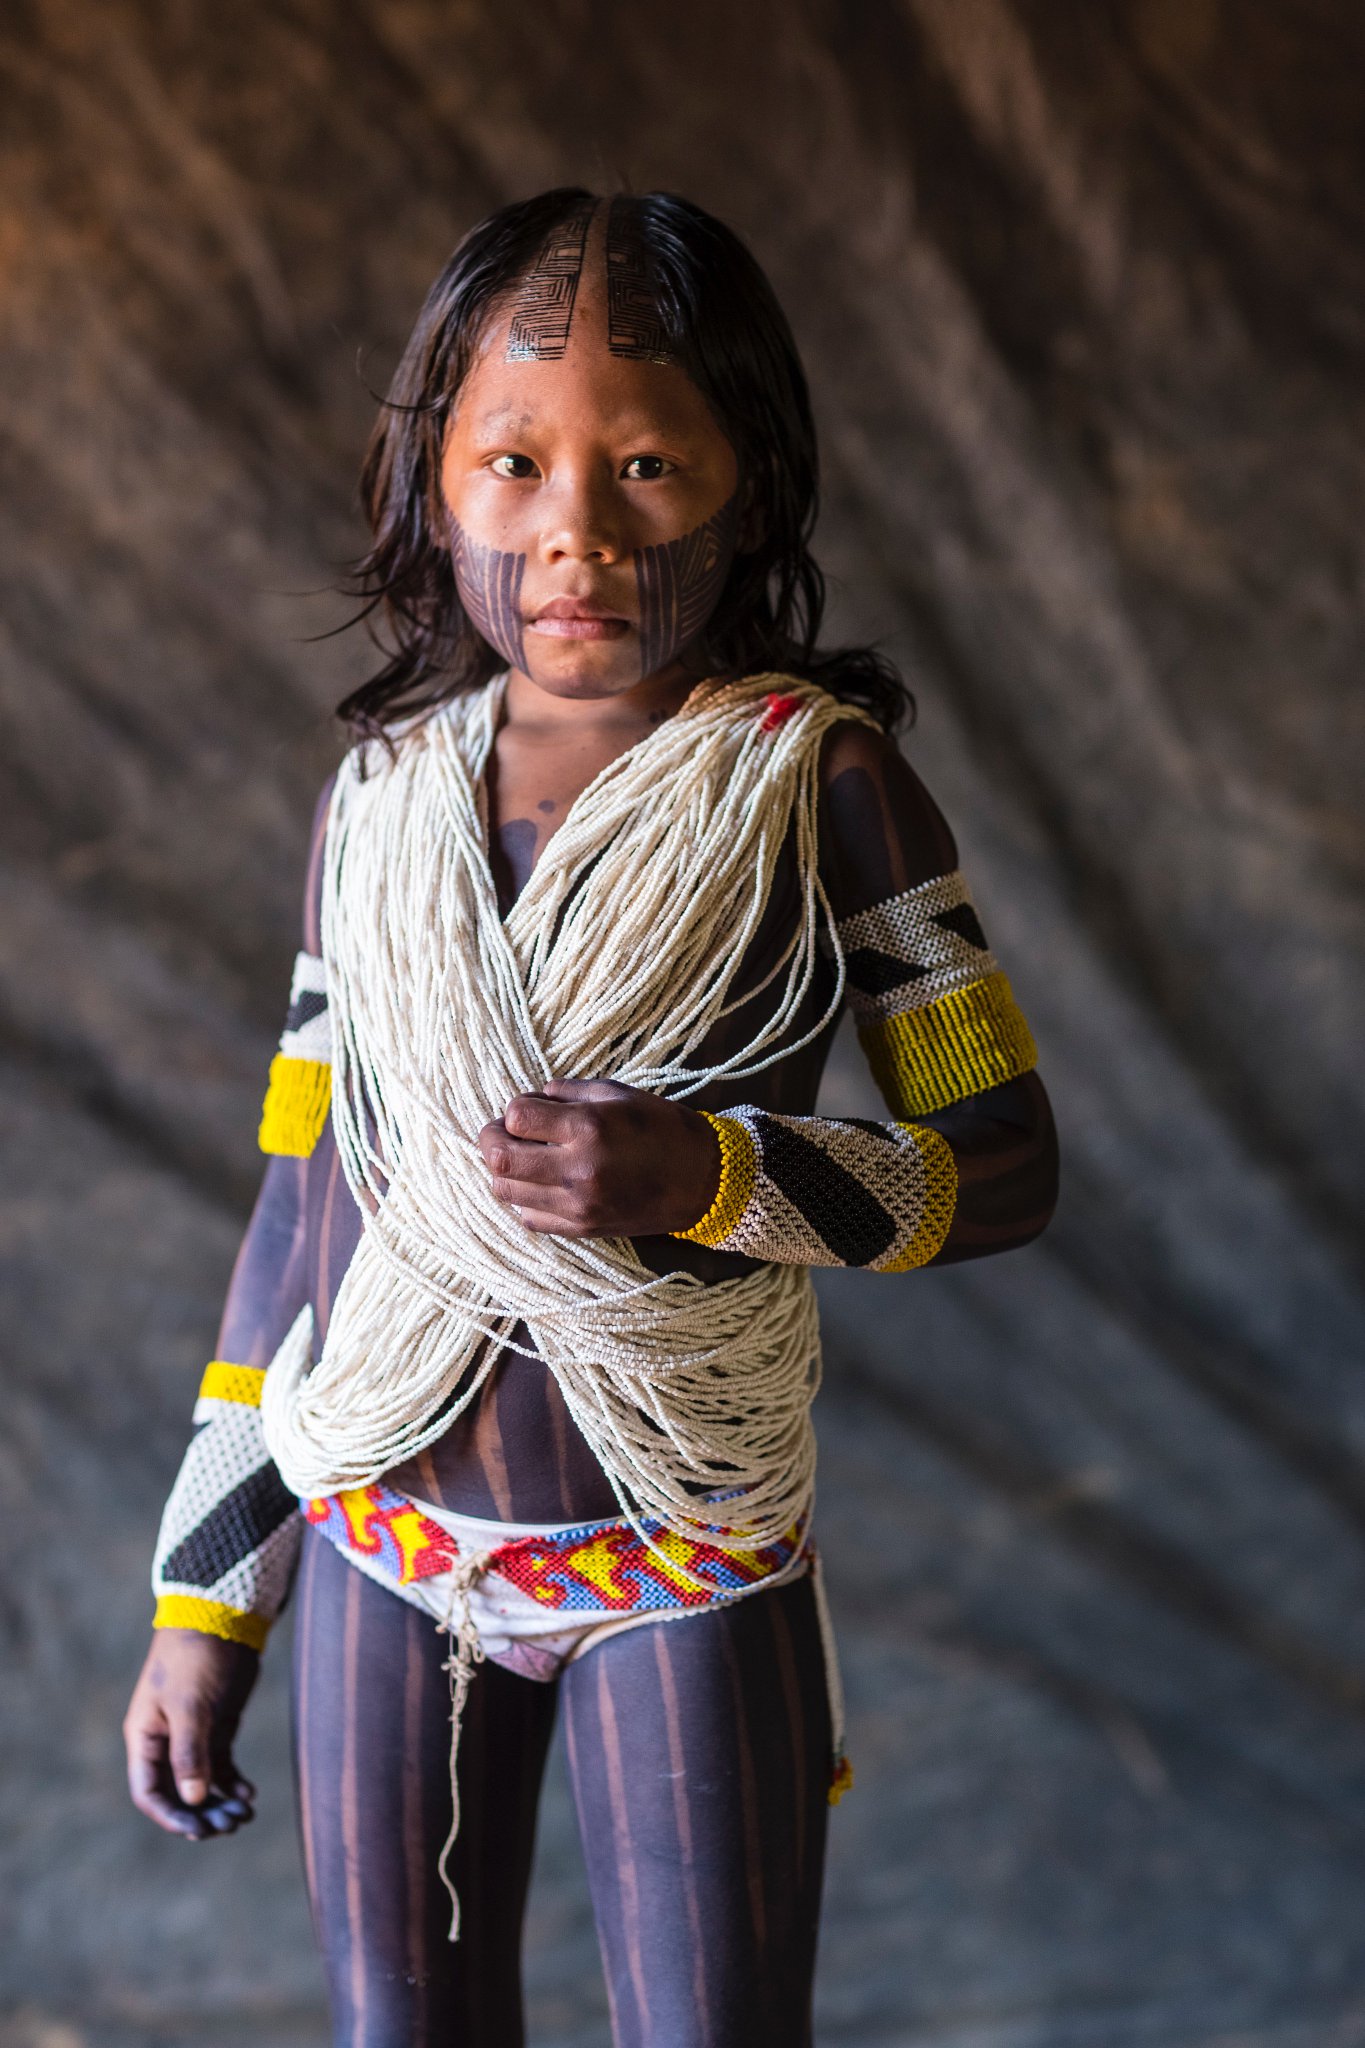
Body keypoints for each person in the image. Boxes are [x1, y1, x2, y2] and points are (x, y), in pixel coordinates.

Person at [123, 188, 1058, 2048]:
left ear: (748, 478)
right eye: (514, 461)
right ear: (433, 488)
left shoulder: (824, 787)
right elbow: (303, 1216)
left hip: (682, 1555)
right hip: (387, 1537)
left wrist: (706, 1173)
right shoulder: (376, 813)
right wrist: (206, 1596)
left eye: (643, 461)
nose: (574, 530)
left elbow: (1004, 1167)